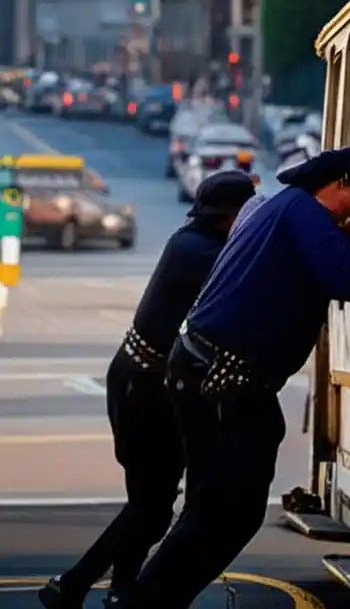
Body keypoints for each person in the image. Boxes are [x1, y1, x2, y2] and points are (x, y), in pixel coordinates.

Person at [117, 147, 350, 608]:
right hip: (226, 380)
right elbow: (348, 276)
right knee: (226, 512)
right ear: (337, 184)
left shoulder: (280, 207)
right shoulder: (302, 210)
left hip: (207, 371)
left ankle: (154, 599)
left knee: (213, 510)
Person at [39, 172, 257, 608]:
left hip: (142, 382)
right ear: (228, 216)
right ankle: (73, 584)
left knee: (149, 505)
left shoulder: (188, 241)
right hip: (145, 388)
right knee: (151, 507)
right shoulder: (206, 254)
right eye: (245, 213)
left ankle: (118, 591)